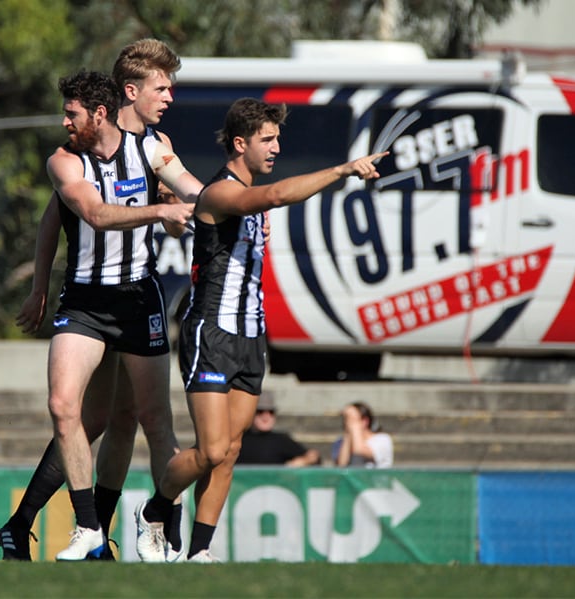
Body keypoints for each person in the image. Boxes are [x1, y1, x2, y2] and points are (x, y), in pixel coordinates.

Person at [135, 97, 385, 563]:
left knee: (230, 450)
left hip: (250, 338)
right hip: (210, 333)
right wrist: (343, 170)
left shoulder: (250, 194)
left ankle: (199, 553)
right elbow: (272, 196)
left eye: (277, 138)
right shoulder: (221, 193)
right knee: (209, 450)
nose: (276, 147)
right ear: (239, 143)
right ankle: (153, 511)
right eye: (266, 139)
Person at [0, 39, 199, 563]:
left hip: (138, 300)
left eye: (71, 113)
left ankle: (155, 528)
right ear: (129, 92)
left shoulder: (153, 148)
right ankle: (86, 528)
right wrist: (42, 286)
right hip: (85, 301)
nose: (169, 96)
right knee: (69, 409)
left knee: (134, 420)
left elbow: (193, 193)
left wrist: (243, 200)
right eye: (162, 87)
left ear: (102, 110)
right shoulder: (67, 162)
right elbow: (81, 217)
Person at [236, 394, 321, 467]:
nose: (266, 417)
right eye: (260, 411)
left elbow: (314, 457)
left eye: (271, 412)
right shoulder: (239, 440)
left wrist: (303, 461)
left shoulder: (281, 440)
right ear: (251, 413)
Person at [333, 401, 394, 468]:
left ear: (365, 421)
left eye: (350, 418)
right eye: (345, 419)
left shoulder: (383, 439)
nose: (346, 423)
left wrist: (355, 428)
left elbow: (359, 452)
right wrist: (348, 436)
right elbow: (341, 465)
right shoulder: (340, 441)